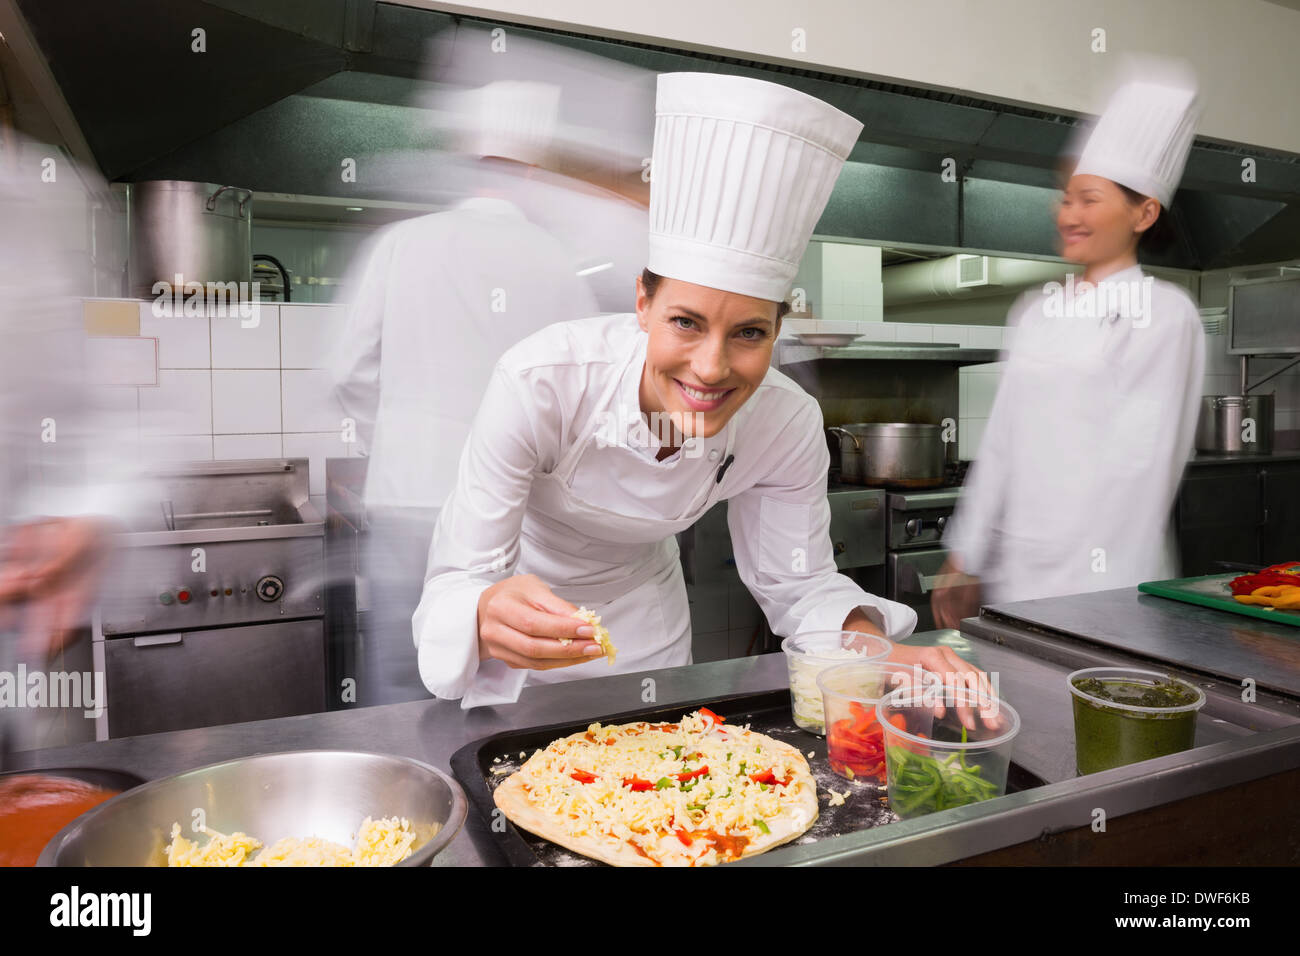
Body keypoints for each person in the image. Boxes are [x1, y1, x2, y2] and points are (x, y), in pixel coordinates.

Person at [415, 72, 985, 712]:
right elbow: (460, 577)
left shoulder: (786, 421)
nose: (712, 369)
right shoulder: (541, 382)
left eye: (748, 332)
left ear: (778, 329)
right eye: (686, 322)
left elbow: (799, 584)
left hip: (644, 630)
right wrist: (484, 610)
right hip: (523, 624)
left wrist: (879, 652)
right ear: (642, 303)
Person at [330, 81, 609, 706]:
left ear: (467, 159)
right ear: (532, 168)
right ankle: (494, 796)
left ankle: (413, 799)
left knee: (408, 676)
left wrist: (398, 439)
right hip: (514, 510)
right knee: (503, 679)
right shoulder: (557, 260)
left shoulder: (402, 243)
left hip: (410, 496)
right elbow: (585, 389)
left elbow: (348, 372)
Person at [933, 71, 1206, 627]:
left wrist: (1078, 589)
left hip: (1104, 583)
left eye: (1089, 199)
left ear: (1144, 213)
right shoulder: (1036, 310)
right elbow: (1004, 441)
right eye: (1066, 198)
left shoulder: (1165, 313)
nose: (1069, 215)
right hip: (1015, 579)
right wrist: (966, 555)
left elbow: (1141, 469)